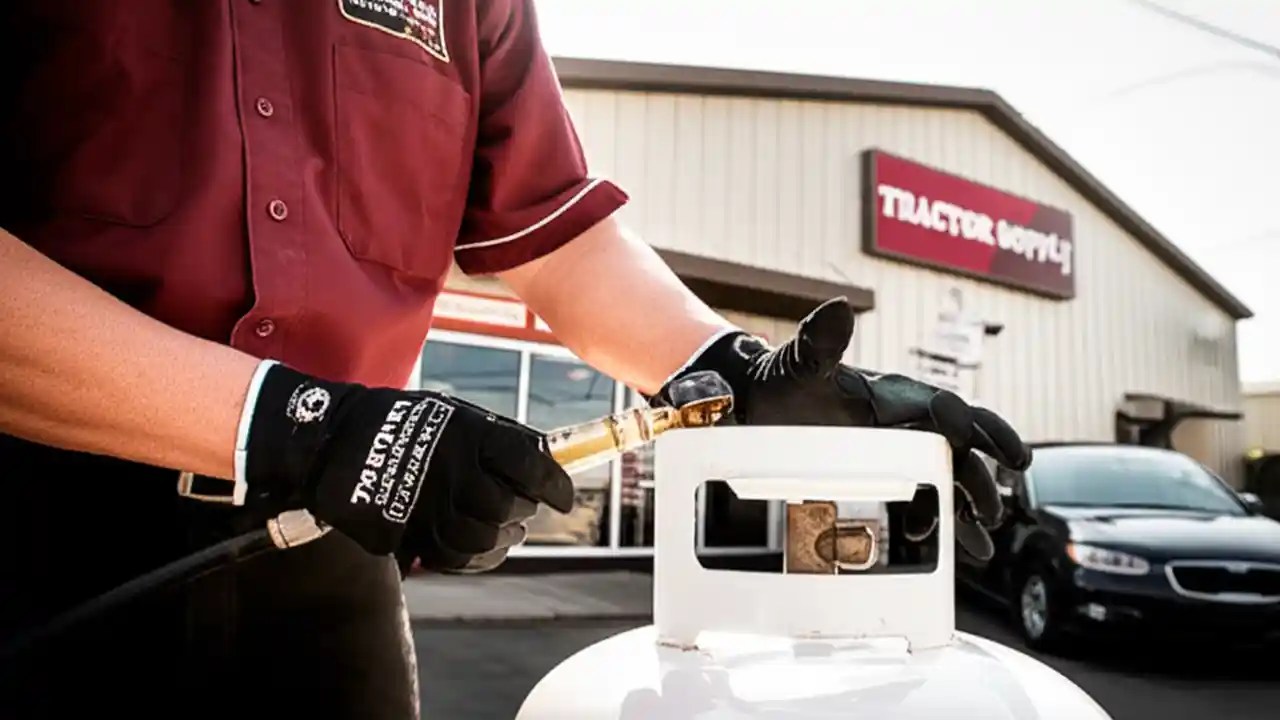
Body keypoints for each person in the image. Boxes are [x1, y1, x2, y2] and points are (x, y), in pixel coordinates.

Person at [0, 2, 1031, 718]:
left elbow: (555, 237)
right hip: (45, 534)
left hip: (328, 560)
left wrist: (730, 373)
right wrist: (303, 424)